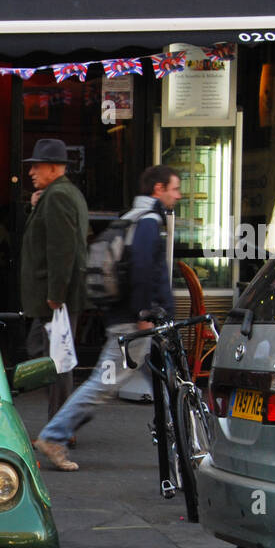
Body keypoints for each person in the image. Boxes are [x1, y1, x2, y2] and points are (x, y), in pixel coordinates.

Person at [32, 165, 182, 472]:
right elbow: (141, 270)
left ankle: (181, 445)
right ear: (158, 189)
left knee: (164, 383)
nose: (178, 195)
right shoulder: (149, 222)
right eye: (174, 189)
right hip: (135, 322)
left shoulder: (133, 218)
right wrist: (143, 314)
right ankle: (54, 435)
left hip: (136, 319)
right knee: (103, 384)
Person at [19, 138, 89, 422]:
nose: (30, 172)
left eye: (36, 167)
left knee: (56, 361)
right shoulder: (58, 194)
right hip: (54, 297)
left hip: (56, 298)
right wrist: (36, 204)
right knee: (44, 354)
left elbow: (62, 249)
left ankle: (61, 425)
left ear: (52, 168)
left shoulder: (59, 196)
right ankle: (60, 423)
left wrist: (56, 295)